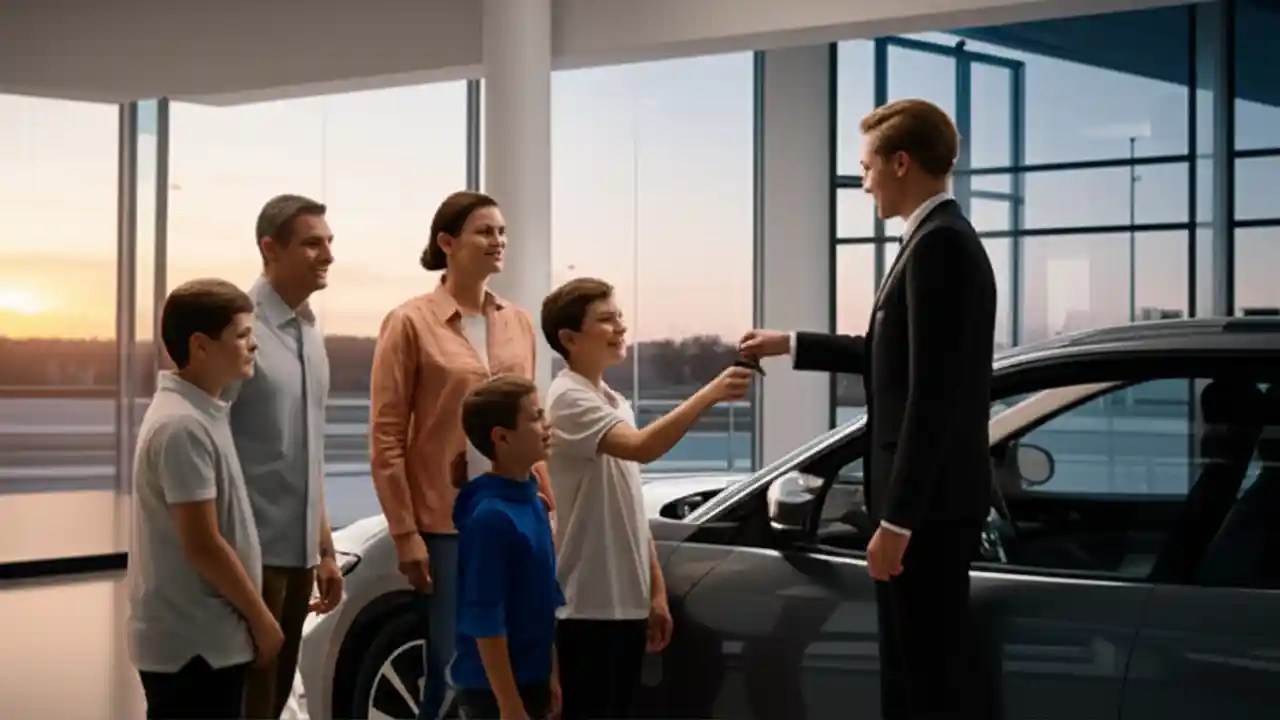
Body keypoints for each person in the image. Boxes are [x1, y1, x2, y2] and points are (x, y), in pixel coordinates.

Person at [740, 98, 997, 719]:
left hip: (926, 521)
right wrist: (791, 344)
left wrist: (899, 523)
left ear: (901, 163)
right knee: (916, 681)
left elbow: (932, 398)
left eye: (867, 167)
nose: (863, 183)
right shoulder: (938, 239)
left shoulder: (939, 247)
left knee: (922, 688)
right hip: (931, 514)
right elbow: (892, 357)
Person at [369, 190, 557, 720]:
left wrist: (546, 496)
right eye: (484, 231)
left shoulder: (518, 322)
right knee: (454, 663)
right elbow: (386, 435)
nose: (498, 241)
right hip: (448, 519)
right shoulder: (408, 322)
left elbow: (529, 416)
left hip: (518, 507)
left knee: (522, 651)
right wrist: (405, 533)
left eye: (501, 232)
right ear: (447, 242)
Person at [541, 277, 753, 720]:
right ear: (569, 338)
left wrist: (654, 592)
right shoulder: (567, 399)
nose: (620, 327)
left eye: (619, 317)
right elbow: (642, 446)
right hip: (585, 603)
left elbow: (630, 505)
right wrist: (710, 393)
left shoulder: (613, 400)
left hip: (624, 603)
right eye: (606, 319)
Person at [126, 278, 282, 719]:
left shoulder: (200, 412)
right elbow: (203, 544)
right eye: (242, 335)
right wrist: (262, 621)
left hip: (208, 640)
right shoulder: (183, 427)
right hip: (194, 648)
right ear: (200, 346)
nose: (254, 346)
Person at [225, 194, 345, 719]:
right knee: (242, 704)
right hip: (249, 559)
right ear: (270, 249)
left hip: (298, 558)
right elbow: (212, 450)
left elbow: (308, 450)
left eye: (329, 242)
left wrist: (324, 549)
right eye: (312, 243)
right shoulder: (239, 332)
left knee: (271, 706)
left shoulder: (311, 333)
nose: (327, 255)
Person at [452, 375, 564, 720]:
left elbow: (547, 597)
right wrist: (509, 704)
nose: (547, 425)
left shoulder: (534, 500)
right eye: (534, 417)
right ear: (501, 437)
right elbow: (486, 619)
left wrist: (552, 674)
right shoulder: (491, 518)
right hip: (494, 692)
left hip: (533, 679)